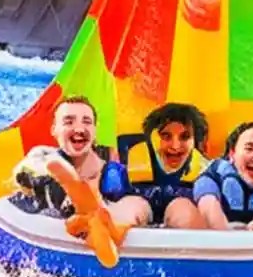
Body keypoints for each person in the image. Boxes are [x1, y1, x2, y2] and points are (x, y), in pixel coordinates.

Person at [9, 97, 153, 227]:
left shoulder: (110, 164)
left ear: (95, 131)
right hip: (61, 222)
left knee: (137, 204)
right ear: (54, 130)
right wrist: (53, 171)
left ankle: (99, 214)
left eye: (87, 122)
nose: (79, 128)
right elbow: (23, 169)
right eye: (69, 122)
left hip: (109, 220)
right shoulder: (44, 156)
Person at [123, 103, 210, 228]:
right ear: (151, 138)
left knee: (184, 212)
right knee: (130, 208)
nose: (175, 146)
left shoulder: (206, 172)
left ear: (195, 141)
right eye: (166, 136)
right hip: (137, 209)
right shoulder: (125, 163)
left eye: (185, 137)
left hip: (183, 216)